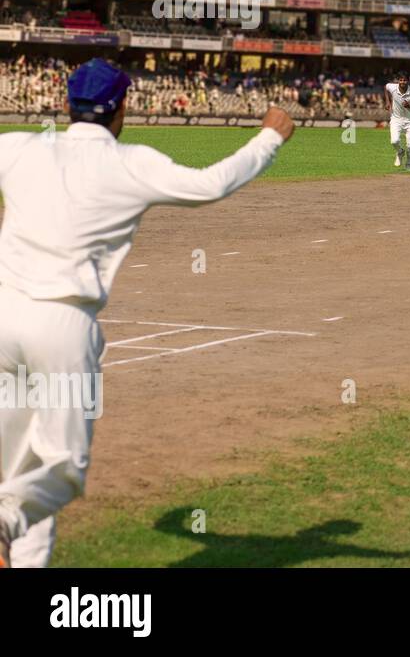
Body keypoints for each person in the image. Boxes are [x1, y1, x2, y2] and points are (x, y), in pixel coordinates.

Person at [0, 58, 293, 568]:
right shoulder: (131, 162)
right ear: (122, 110)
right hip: (63, 331)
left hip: (4, 317)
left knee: (16, 476)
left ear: (64, 104)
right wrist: (268, 137)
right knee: (62, 468)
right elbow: (210, 185)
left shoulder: (20, 147)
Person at [384, 70, 410, 171]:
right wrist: (388, 102)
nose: (402, 82)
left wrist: (409, 106)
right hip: (396, 119)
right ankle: (400, 152)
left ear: (408, 81)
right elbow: (386, 87)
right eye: (400, 80)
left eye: (404, 80)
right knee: (394, 141)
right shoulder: (392, 87)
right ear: (398, 81)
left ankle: (409, 164)